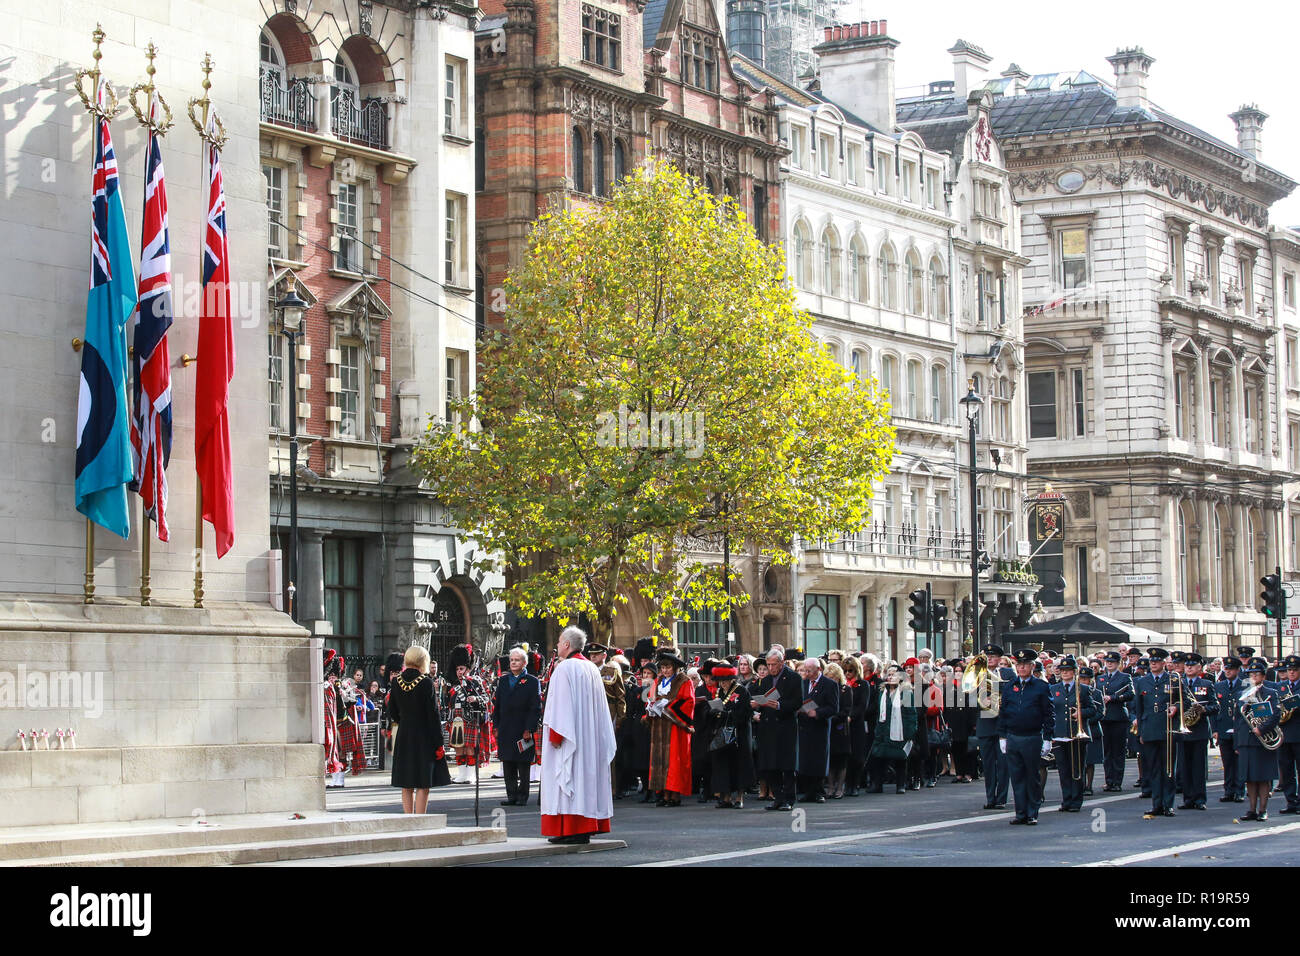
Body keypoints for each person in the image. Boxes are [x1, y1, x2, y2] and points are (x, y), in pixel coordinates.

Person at [539, 626, 618, 845]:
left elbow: (559, 707)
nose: (556, 645)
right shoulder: (592, 668)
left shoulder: (564, 669)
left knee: (569, 780)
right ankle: (584, 828)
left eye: (558, 642)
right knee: (586, 780)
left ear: (566, 645)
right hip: (589, 738)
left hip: (569, 738)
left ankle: (570, 828)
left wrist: (555, 736)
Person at [387, 645, 449, 813]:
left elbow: (392, 711)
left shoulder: (396, 682)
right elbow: (433, 715)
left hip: (404, 734)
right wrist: (439, 742)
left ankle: (408, 818)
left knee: (406, 783)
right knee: (423, 782)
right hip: (423, 736)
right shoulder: (426, 682)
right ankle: (420, 818)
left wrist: (405, 721)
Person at [996, 648, 1054, 825]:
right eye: (1018, 665)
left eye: (1025, 665)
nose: (1021, 668)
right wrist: (1002, 736)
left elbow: (1048, 714)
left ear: (1032, 666)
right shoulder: (1010, 686)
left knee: (1032, 776)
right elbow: (1004, 712)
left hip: (1032, 736)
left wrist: (1048, 738)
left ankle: (1032, 812)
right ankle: (1020, 812)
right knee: (1017, 776)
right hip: (1013, 736)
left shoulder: (1041, 687)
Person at [1133, 647, 1187, 819]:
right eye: (1151, 661)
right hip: (1149, 729)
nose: (1153, 664)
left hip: (1167, 728)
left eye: (1157, 661)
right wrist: (1140, 731)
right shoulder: (1142, 681)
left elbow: (1184, 699)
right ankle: (1156, 804)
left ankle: (1168, 804)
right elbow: (1139, 709)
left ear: (1164, 663)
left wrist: (1176, 707)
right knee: (1154, 770)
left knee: (1168, 769)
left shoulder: (1173, 679)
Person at [1233, 658, 1281, 822]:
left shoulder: (1269, 693)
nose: (1253, 677)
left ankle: (1263, 810)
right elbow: (1237, 720)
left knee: (1263, 776)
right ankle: (1251, 809)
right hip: (1246, 740)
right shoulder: (1242, 694)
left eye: (1256, 674)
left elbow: (1275, 715)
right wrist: (1237, 742)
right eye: (1250, 674)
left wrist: (1261, 729)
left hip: (1262, 740)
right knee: (1250, 777)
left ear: (1263, 676)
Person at [754, 647, 801, 811]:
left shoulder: (793, 678)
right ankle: (778, 797)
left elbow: (797, 702)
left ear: (781, 663)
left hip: (785, 726)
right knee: (770, 765)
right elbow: (762, 697)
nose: (771, 668)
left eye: (774, 664)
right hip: (768, 726)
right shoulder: (766, 680)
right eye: (769, 664)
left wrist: (781, 705)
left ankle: (789, 798)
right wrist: (757, 706)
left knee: (787, 766)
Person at [647, 645, 694, 807]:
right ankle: (664, 794)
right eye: (663, 667)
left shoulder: (684, 681)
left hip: (674, 727)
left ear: (674, 667)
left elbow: (689, 702)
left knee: (673, 762)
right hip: (659, 726)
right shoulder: (657, 681)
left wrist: (668, 708)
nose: (665, 670)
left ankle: (674, 795)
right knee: (660, 762)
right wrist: (651, 709)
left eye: (668, 667)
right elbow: (651, 699)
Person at [494, 647, 542, 807]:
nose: (513, 662)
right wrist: (496, 725)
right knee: (508, 763)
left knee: (522, 764)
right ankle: (511, 795)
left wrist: (529, 728)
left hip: (523, 729)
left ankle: (522, 796)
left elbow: (535, 708)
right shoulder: (504, 680)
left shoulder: (532, 682)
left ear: (524, 663)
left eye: (517, 660)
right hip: (506, 728)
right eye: (512, 660)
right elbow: (497, 705)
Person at [1048, 656, 1095, 812]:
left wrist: (1080, 713)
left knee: (1077, 769)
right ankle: (1066, 799)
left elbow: (1094, 710)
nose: (1065, 673)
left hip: (1077, 734)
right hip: (1060, 734)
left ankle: (1076, 801)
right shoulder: (1053, 689)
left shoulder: (1083, 688)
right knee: (1063, 770)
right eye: (1062, 671)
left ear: (1075, 672)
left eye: (1068, 670)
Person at [708, 659, 755, 808]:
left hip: (739, 733)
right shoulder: (718, 692)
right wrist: (714, 712)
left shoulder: (741, 690)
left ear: (731, 679)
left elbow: (746, 712)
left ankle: (739, 797)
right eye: (720, 681)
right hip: (722, 733)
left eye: (725, 681)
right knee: (723, 765)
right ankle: (726, 796)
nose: (722, 684)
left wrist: (728, 713)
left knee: (739, 764)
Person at [1176, 653, 1218, 811]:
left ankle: (1200, 799)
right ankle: (1188, 798)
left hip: (1199, 730)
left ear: (1199, 667)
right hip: (1183, 731)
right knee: (1184, 767)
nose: (1188, 667)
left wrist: (1204, 709)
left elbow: (1216, 706)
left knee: (1199, 767)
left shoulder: (1206, 683)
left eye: (1192, 665)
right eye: (1187, 665)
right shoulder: (1178, 683)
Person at [796, 657, 838, 803]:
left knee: (818, 759)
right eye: (805, 670)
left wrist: (818, 713)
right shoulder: (803, 683)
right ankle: (808, 791)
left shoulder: (829, 684)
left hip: (819, 727)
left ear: (818, 669)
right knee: (805, 759)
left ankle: (818, 790)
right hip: (804, 726)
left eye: (809, 671)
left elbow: (833, 707)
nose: (807, 673)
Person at [868, 665, 916, 794]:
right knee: (878, 758)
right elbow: (879, 713)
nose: (890, 677)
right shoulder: (882, 692)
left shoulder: (906, 693)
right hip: (883, 731)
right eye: (888, 674)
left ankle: (901, 785)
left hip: (899, 731)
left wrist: (909, 733)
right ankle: (877, 785)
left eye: (893, 674)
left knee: (900, 758)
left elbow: (911, 714)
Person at [975, 645, 1012, 810]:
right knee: (988, 765)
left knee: (1003, 764)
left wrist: (1002, 701)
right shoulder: (977, 674)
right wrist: (981, 700)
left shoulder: (1008, 674)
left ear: (1000, 659)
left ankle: (1001, 798)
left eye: (994, 656)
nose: (990, 659)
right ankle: (990, 797)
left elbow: (1015, 694)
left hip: (1003, 724)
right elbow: (966, 697)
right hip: (985, 724)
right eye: (987, 656)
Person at [1097, 650, 1135, 791]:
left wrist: (1113, 698)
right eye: (1107, 662)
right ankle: (1109, 780)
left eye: (1112, 662)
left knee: (1118, 751)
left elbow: (1130, 694)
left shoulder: (1125, 677)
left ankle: (1117, 781)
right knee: (1107, 751)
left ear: (1118, 663)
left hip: (1118, 716)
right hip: (1105, 717)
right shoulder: (1101, 678)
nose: (1109, 664)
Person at [1214, 656, 1246, 803]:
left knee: (1239, 761)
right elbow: (1215, 710)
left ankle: (1239, 790)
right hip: (1223, 727)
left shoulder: (1245, 685)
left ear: (1237, 670)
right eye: (1226, 668)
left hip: (1239, 728)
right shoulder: (1219, 686)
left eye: (1231, 669)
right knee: (1227, 762)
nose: (1227, 671)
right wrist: (1214, 729)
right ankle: (1229, 790)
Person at [842, 655, 870, 797]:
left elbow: (862, 705)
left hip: (857, 724)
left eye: (850, 671)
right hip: (844, 724)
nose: (848, 673)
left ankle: (855, 783)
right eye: (845, 671)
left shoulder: (862, 685)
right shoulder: (843, 685)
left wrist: (851, 716)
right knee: (847, 755)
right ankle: (847, 784)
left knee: (857, 756)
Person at [825, 662, 852, 799]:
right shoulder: (825, 689)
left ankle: (840, 787)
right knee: (830, 760)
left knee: (841, 760)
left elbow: (846, 710)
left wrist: (831, 717)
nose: (831, 680)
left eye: (833, 677)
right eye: (828, 677)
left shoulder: (845, 690)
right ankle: (830, 787)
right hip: (828, 728)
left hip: (840, 729)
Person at [1278, 655, 1300, 815]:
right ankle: (1291, 801)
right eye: (1289, 670)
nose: (1291, 673)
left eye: (1295, 670)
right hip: (1284, 735)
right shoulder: (1281, 686)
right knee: (1286, 771)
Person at [1078, 666, 1104, 795]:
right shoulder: (1075, 691)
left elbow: (1100, 712)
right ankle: (1080, 785)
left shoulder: (1097, 693)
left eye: (1086, 679)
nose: (1083, 681)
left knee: (1090, 761)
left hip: (1092, 728)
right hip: (1077, 728)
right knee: (1080, 760)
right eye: (1081, 678)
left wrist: (1087, 719)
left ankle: (1089, 785)